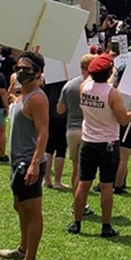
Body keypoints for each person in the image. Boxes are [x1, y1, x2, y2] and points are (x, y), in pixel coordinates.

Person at [68, 54, 131, 238]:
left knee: (83, 183)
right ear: (109, 72)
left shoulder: (83, 86)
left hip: (88, 141)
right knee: (106, 186)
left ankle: (76, 223)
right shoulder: (112, 93)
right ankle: (106, 226)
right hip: (108, 142)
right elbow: (123, 119)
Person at [0, 51, 49, 260]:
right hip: (18, 162)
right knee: (20, 207)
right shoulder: (23, 97)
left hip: (28, 163)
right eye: (19, 68)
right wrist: (10, 94)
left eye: (27, 69)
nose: (21, 72)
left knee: (32, 212)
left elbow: (43, 132)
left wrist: (35, 164)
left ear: (38, 74)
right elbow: (16, 101)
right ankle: (23, 247)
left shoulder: (37, 98)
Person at [57, 54, 95, 192]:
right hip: (89, 130)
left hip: (72, 130)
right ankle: (80, 202)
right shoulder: (96, 87)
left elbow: (60, 110)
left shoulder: (69, 85)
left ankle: (76, 199)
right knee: (83, 170)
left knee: (75, 167)